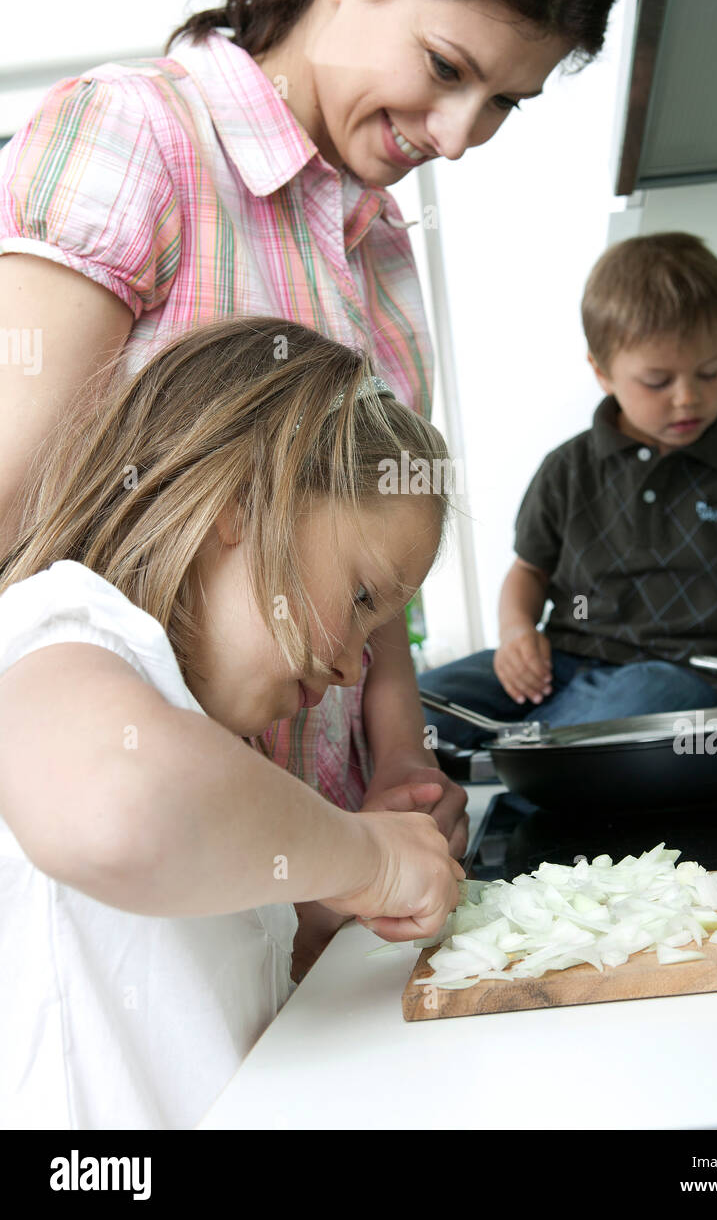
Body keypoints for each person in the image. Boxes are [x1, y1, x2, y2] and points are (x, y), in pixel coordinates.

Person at [0, 0, 617, 887]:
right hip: (131, 870)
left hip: (297, 886)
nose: (462, 136)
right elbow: (10, 503)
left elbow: (368, 561)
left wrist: (398, 766)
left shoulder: (381, 252)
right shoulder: (135, 135)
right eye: (446, 69)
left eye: (505, 102)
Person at [0, 316, 464, 1129]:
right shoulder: (58, 626)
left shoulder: (199, 740)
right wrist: (364, 860)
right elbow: (120, 810)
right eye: (360, 598)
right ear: (238, 502)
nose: (355, 668)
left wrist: (314, 911)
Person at [421, 233, 717, 749]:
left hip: (693, 677)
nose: (688, 397)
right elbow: (528, 572)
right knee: (422, 703)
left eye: (710, 372)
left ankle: (535, 749)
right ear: (602, 372)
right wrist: (516, 634)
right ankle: (548, 748)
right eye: (656, 381)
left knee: (648, 696)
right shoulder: (566, 470)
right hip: (566, 665)